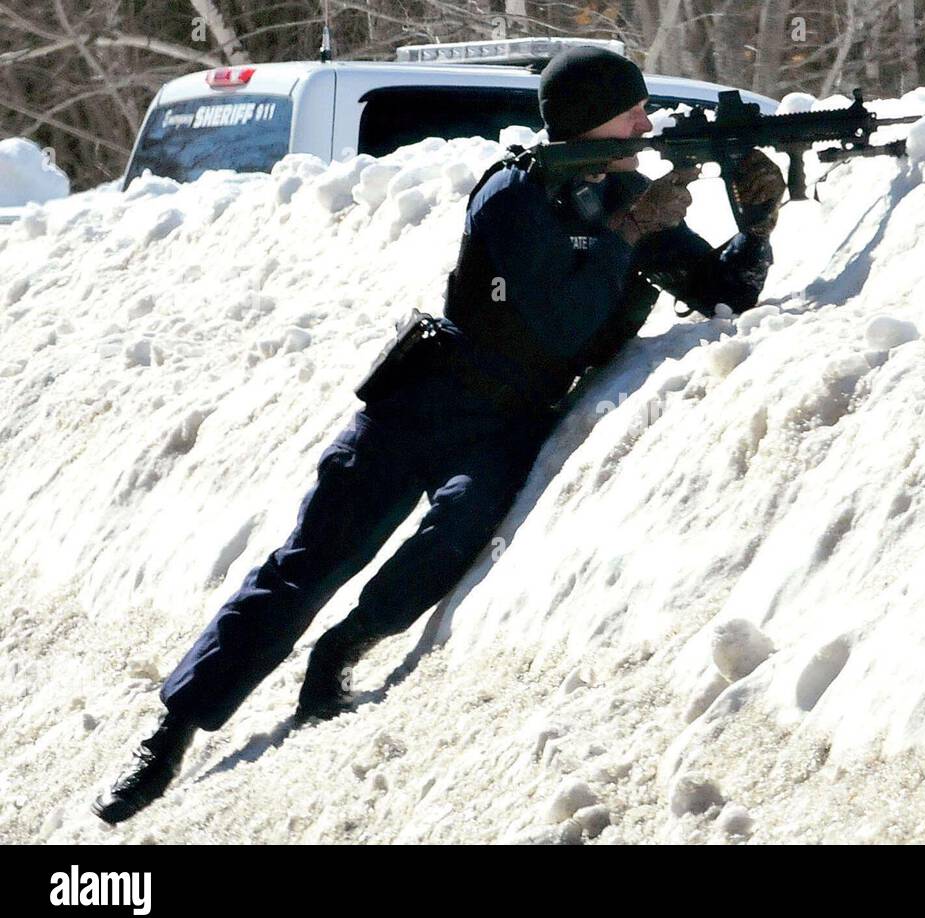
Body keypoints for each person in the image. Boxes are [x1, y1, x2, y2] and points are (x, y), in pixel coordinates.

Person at [92, 46, 785, 824]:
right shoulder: (512, 193)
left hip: (508, 424)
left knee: (453, 535)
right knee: (307, 564)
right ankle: (173, 730)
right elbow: (564, 319)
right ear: (589, 120)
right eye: (631, 112)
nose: (646, 124)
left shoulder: (631, 196)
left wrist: (754, 224)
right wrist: (630, 230)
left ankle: (343, 650)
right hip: (419, 406)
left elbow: (723, 293)